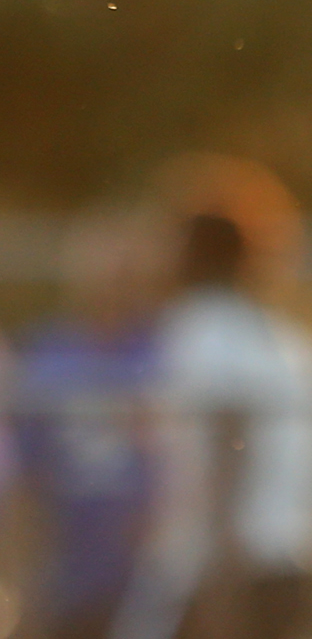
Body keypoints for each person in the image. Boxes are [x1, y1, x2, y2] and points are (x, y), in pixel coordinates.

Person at [108, 155, 312, 639]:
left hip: (225, 571)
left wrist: (221, 586)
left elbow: (228, 446)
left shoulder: (196, 333)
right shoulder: (298, 343)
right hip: (297, 563)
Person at [14, 214, 156, 639]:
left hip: (145, 568)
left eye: (124, 270)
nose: (113, 282)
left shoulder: (164, 350)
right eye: (103, 269)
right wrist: (26, 574)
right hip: (66, 559)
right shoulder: (45, 355)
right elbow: (26, 475)